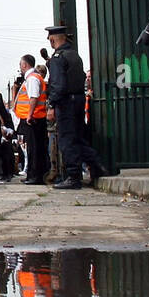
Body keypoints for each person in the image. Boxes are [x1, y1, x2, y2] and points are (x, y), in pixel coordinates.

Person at [46, 25, 106, 190]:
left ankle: (73, 176)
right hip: (78, 100)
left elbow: (58, 85)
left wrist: (51, 105)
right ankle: (97, 166)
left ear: (52, 40)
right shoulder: (74, 55)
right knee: (78, 137)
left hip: (65, 103)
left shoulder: (58, 57)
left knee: (67, 139)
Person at [12, 53, 48, 184]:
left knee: (34, 148)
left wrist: (29, 115)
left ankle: (35, 176)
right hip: (35, 117)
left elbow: (33, 97)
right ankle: (33, 175)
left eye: (20, 65)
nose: (20, 67)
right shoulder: (33, 77)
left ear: (24, 64)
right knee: (34, 147)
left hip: (33, 118)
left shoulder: (32, 78)